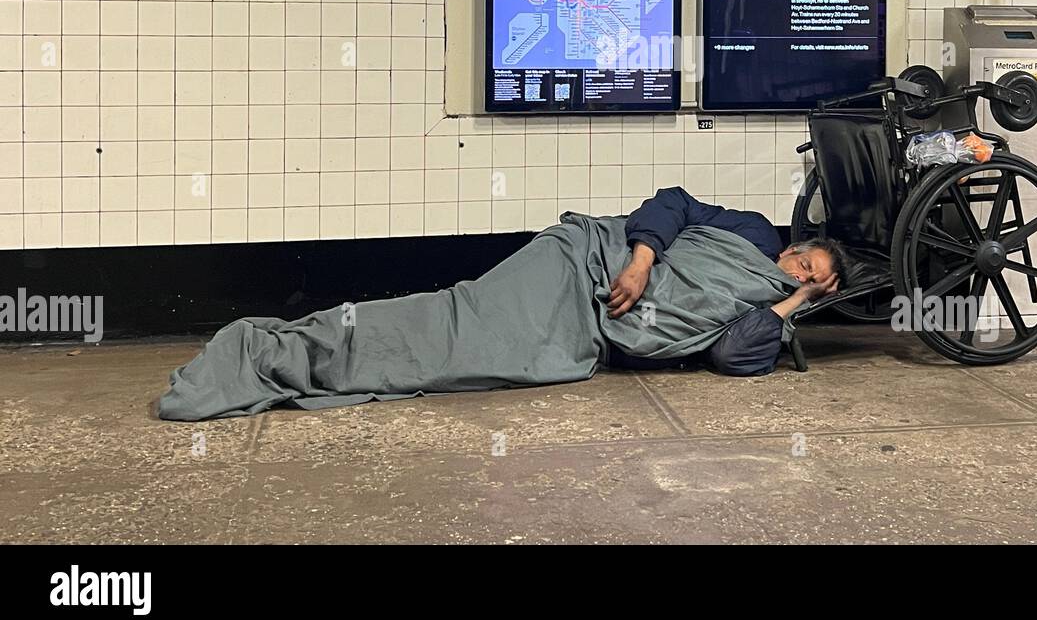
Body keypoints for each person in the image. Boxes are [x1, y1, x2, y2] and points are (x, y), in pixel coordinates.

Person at [157, 189, 848, 420]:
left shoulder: (761, 312)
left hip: (581, 337)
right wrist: (641, 258)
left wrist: (791, 302)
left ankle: (301, 351)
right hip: (578, 264)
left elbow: (734, 354)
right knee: (454, 323)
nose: (796, 270)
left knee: (454, 348)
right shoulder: (753, 230)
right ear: (795, 242)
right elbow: (669, 202)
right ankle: (281, 352)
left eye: (810, 279)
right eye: (803, 259)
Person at [608, 186, 847, 376]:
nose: (800, 278)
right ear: (790, 250)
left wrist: (798, 297)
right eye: (804, 266)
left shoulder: (769, 312)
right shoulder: (756, 234)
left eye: (811, 283)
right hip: (612, 259)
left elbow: (732, 354)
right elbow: (674, 201)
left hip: (620, 322)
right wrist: (640, 265)